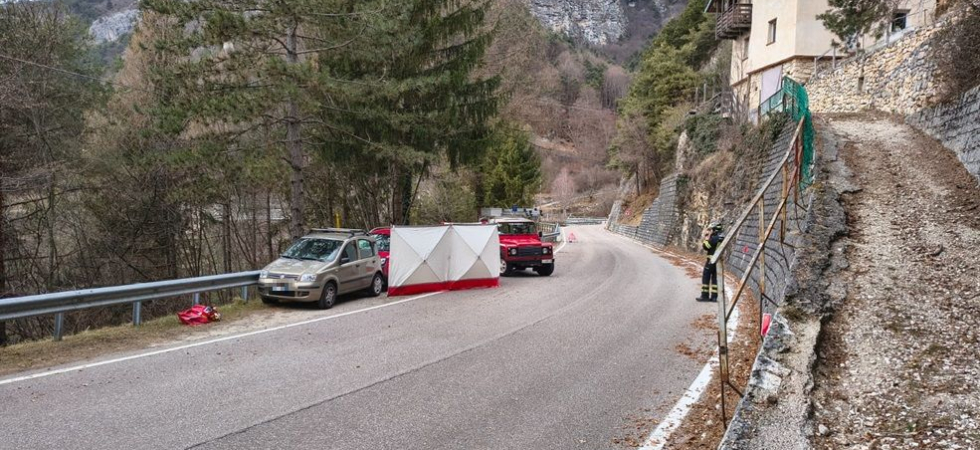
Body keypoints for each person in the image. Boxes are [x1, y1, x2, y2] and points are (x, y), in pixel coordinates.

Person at [697, 222, 724, 302]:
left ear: (715, 230)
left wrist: (706, 239)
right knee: (715, 278)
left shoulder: (715, 238)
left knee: (706, 277)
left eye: (711, 229)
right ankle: (714, 297)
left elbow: (707, 246)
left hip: (711, 261)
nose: (710, 231)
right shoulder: (722, 237)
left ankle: (704, 296)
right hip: (718, 261)